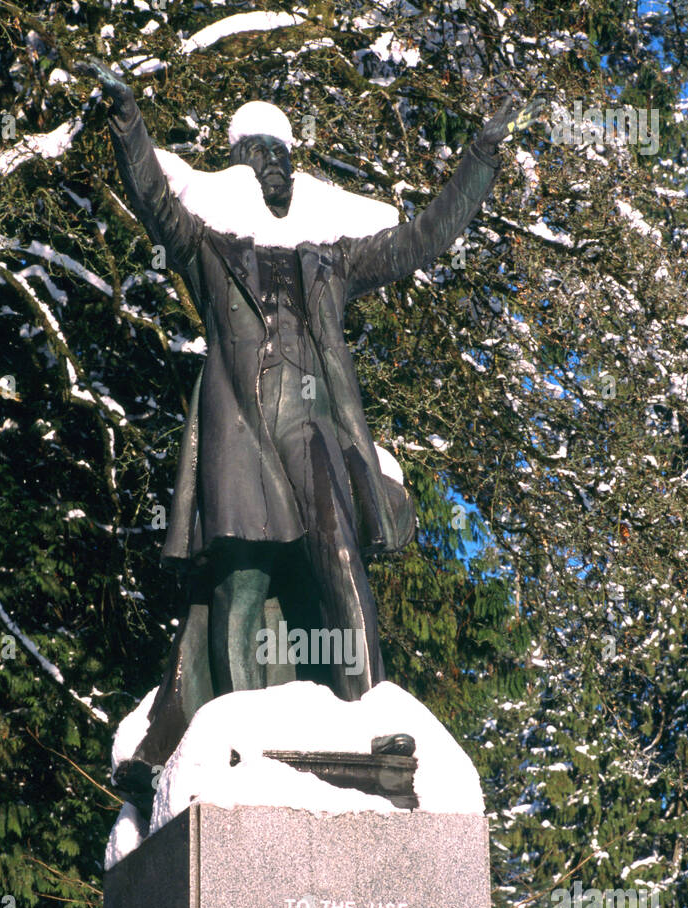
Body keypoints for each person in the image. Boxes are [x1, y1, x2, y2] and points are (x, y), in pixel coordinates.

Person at [74, 58, 543, 778]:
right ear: (237, 165)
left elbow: (421, 238)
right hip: (239, 427)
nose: (277, 168)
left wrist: (481, 156)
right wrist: (127, 119)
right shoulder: (205, 246)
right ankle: (234, 741)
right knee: (242, 580)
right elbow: (152, 197)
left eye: (285, 154)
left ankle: (373, 716)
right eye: (262, 154)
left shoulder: (330, 260)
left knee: (341, 558)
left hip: (313, 424)